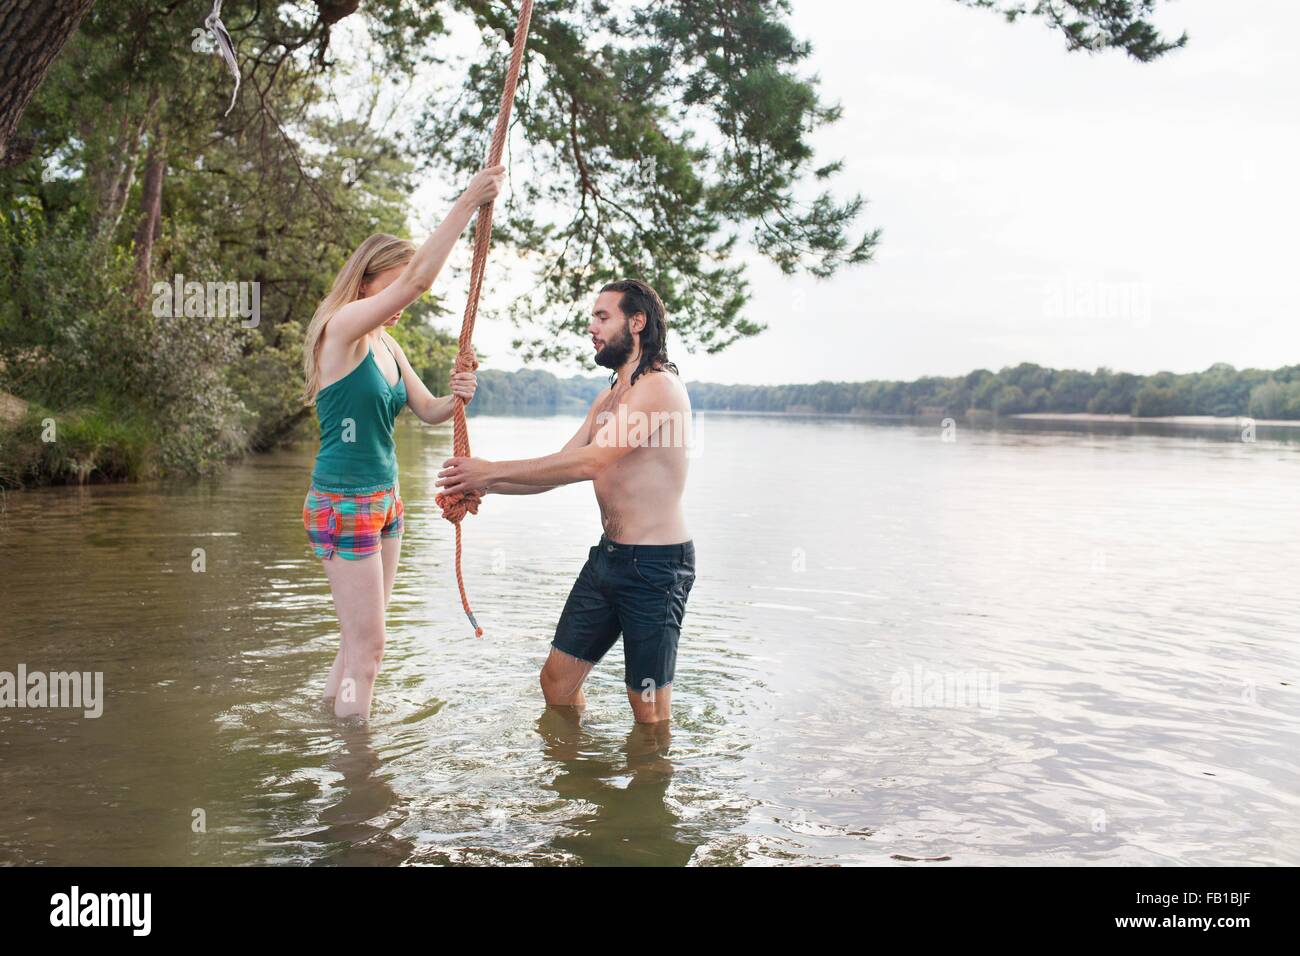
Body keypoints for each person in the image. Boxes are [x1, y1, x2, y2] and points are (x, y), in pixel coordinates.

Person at [436, 279, 695, 724]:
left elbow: (590, 462)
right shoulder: (608, 397)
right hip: (609, 560)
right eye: (592, 317)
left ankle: (648, 787)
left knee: (647, 708)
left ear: (637, 322)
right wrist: (483, 485)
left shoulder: (659, 388)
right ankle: (579, 776)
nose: (591, 327)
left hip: (656, 567)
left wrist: (490, 469)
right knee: (557, 683)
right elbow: (559, 466)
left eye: (602, 316)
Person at [301, 165, 505, 720]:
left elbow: (429, 411)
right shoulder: (340, 330)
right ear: (363, 284)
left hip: (386, 501)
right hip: (343, 502)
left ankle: (327, 727)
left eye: (401, 291)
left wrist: (458, 394)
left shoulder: (388, 345)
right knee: (370, 648)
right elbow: (419, 279)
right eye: (388, 287)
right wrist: (467, 203)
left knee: (356, 641)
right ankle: (357, 775)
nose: (401, 300)